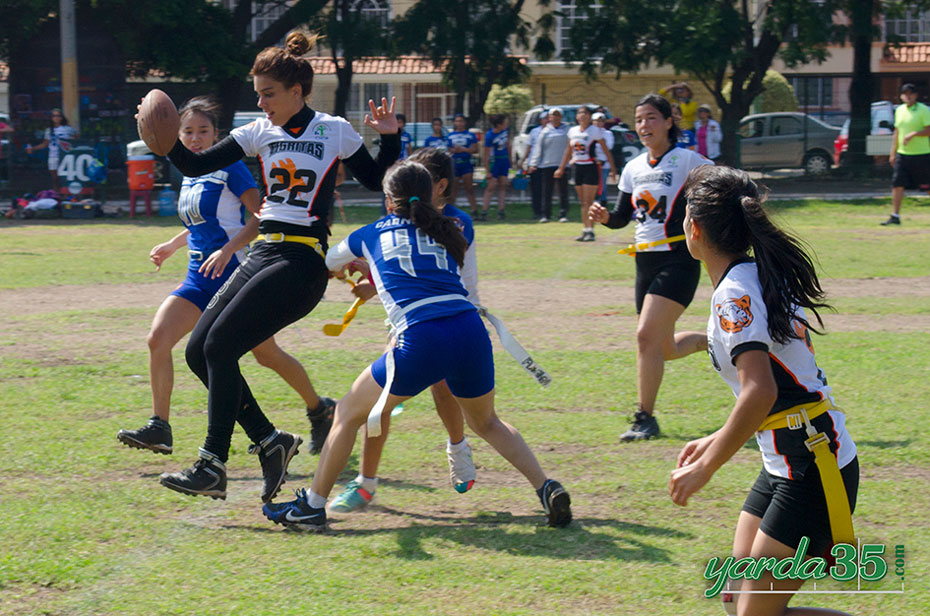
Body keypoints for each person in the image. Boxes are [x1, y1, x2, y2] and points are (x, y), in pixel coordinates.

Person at [154, 31, 401, 503]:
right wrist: (163, 140)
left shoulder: (333, 130)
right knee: (198, 352)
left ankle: (212, 463)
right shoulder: (256, 132)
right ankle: (272, 441)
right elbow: (194, 164)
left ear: (296, 91)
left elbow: (378, 182)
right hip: (266, 251)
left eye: (268, 94)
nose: (262, 103)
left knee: (221, 347)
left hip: (302, 259)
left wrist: (390, 139)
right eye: (258, 94)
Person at [262, 160, 572, 531]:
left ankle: (312, 507)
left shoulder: (370, 232)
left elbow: (330, 261)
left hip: (422, 337)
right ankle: (546, 486)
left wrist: (358, 264)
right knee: (487, 422)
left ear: (388, 201)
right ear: (432, 195)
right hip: (470, 330)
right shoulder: (446, 231)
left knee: (345, 414)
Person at [672, 164, 858, 616]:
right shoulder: (751, 275)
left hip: (812, 464)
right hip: (790, 459)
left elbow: (761, 391)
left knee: (755, 614)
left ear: (694, 229)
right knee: (737, 598)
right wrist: (717, 437)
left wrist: (707, 468)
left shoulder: (734, 292)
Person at [116, 96, 335, 457]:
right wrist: (173, 244)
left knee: (267, 356)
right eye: (188, 131)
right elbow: (206, 222)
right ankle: (160, 426)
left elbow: (260, 216)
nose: (195, 138)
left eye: (203, 131)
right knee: (158, 339)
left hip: (235, 275)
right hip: (199, 278)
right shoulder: (188, 172)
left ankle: (319, 408)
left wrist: (230, 249)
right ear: (176, 133)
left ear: (217, 134)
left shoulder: (230, 167)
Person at [328, 148, 480, 512]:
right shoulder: (400, 216)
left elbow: (438, 282)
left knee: (444, 394)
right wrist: (371, 279)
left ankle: (458, 447)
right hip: (410, 325)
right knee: (377, 406)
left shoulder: (455, 224)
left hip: (450, 321)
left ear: (439, 185)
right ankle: (366, 483)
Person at [589, 93, 710, 441]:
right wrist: (604, 217)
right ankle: (713, 342)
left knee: (644, 337)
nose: (644, 125)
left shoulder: (688, 160)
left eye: (652, 118)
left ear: (669, 121)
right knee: (662, 347)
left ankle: (645, 418)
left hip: (679, 259)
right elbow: (622, 218)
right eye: (639, 119)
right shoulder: (633, 167)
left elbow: (723, 186)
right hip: (645, 260)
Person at [556, 105, 615, 242]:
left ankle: (591, 230)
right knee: (583, 202)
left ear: (589, 116)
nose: (583, 116)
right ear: (576, 117)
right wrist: (561, 168)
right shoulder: (572, 131)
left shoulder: (595, 131)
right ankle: (585, 229)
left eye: (585, 113)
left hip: (591, 167)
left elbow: (606, 149)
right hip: (578, 167)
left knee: (589, 201)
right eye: (580, 113)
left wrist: (612, 168)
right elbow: (568, 151)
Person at [884, 82, 930, 226]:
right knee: (897, 184)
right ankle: (895, 216)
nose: (908, 96)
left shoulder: (924, 110)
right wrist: (893, 152)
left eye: (911, 93)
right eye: (906, 94)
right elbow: (897, 132)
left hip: (921, 154)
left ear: (916, 95)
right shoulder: (899, 111)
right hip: (903, 155)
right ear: (901, 96)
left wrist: (914, 134)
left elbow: (928, 130)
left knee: (927, 186)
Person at [527, 107, 570, 223]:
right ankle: (546, 214)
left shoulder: (567, 130)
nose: (555, 118)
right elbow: (538, 149)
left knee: (563, 191)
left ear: (561, 117)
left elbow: (571, 147)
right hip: (547, 164)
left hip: (562, 165)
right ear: (550, 117)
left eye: (558, 115)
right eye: (553, 115)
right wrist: (533, 163)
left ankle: (563, 213)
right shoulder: (545, 131)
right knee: (546, 191)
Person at [26, 108, 77, 190]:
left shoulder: (67, 129)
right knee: (55, 178)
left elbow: (76, 138)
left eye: (58, 116)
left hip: (65, 155)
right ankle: (57, 194)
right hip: (53, 155)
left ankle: (66, 194)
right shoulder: (48, 130)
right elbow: (45, 144)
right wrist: (33, 148)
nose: (56, 118)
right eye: (54, 116)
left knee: (66, 176)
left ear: (61, 117)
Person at [447, 113, 479, 218]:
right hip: (455, 164)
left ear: (465, 122)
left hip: (466, 164)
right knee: (453, 189)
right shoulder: (450, 135)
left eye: (461, 121)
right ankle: (450, 212)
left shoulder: (470, 135)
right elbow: (447, 149)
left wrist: (464, 149)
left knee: (469, 188)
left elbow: (475, 149)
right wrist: (454, 150)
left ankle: (474, 211)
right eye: (457, 121)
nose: (459, 123)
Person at [481, 114, 510, 221]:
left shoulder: (505, 132)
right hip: (495, 162)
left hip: (504, 160)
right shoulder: (490, 135)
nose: (506, 124)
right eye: (504, 122)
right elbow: (486, 154)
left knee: (503, 185)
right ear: (499, 124)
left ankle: (501, 211)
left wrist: (510, 160)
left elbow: (508, 146)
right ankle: (484, 211)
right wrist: (487, 170)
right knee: (491, 187)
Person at [524, 110, 548, 221]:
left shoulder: (552, 131)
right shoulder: (534, 131)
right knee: (536, 189)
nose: (547, 120)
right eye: (545, 118)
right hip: (534, 163)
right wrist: (524, 161)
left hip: (547, 163)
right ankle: (536, 211)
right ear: (540, 120)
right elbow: (529, 148)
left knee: (546, 189)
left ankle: (545, 211)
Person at [592, 111, 615, 205]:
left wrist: (599, 143)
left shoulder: (608, 133)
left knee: (602, 183)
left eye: (601, 121)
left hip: (604, 161)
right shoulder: (589, 132)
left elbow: (608, 146)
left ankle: (603, 201)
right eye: (596, 121)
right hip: (591, 161)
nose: (599, 123)